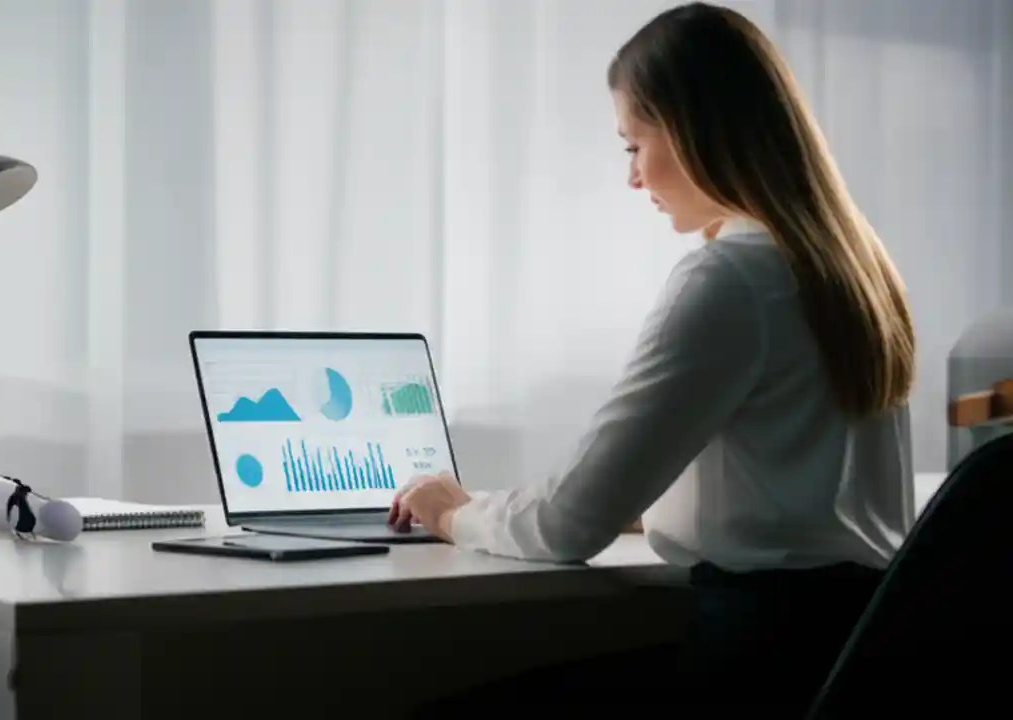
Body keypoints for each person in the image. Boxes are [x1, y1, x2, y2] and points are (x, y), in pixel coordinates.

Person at [389, 2, 915, 715]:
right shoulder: (856, 267)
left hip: (752, 666)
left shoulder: (730, 278)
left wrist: (454, 512)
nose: (633, 178)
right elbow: (788, 479)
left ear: (694, 129)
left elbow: (567, 527)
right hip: (850, 657)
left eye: (633, 145)